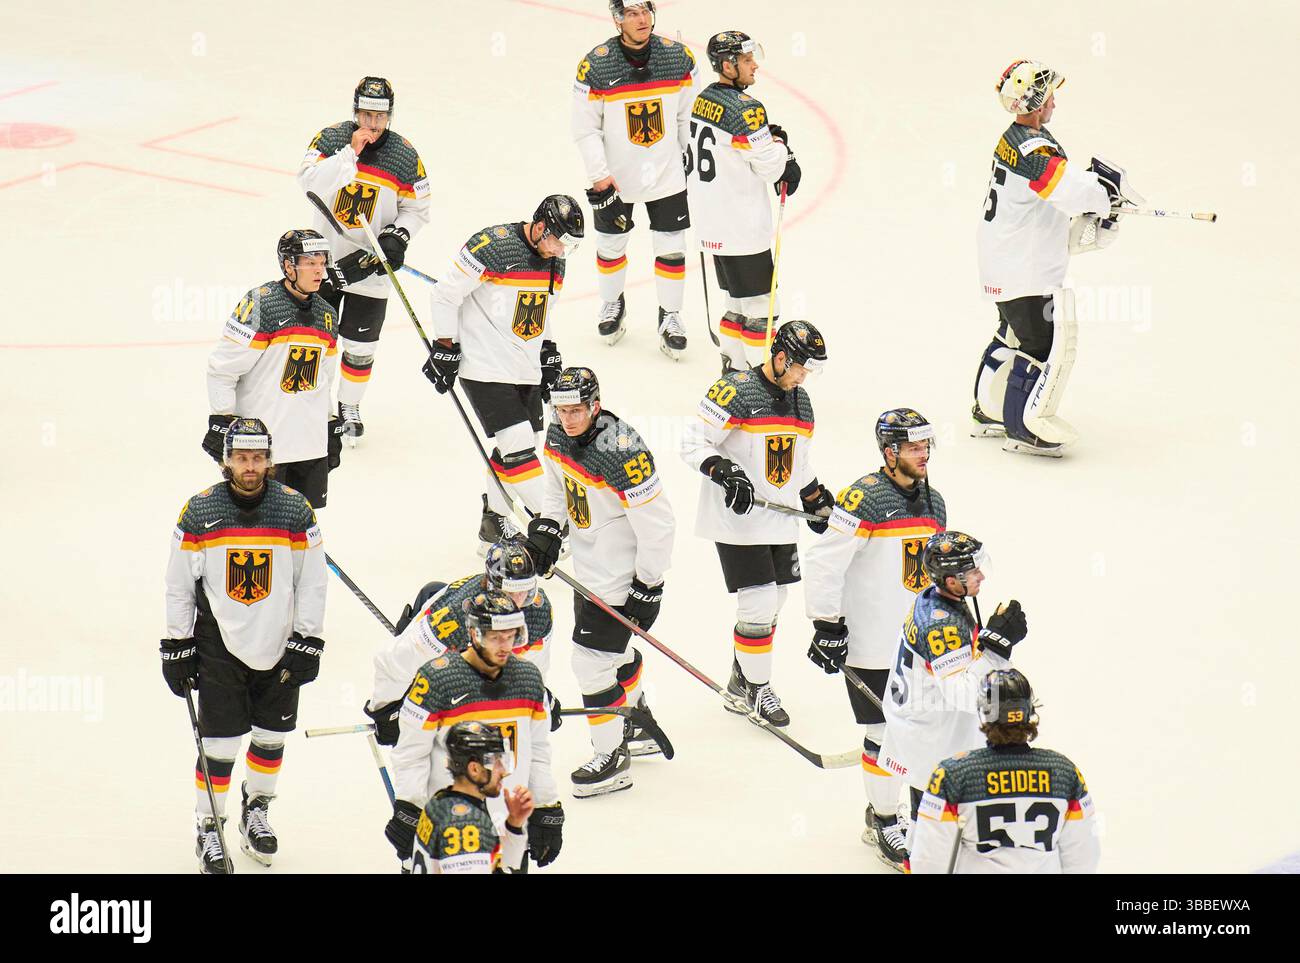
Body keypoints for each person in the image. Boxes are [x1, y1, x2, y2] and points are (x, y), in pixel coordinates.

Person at [162, 418, 327, 873]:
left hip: (280, 642)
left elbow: (312, 582)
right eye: (241, 457)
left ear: (269, 460)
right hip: (219, 644)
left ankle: (257, 809)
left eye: (257, 458)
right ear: (226, 460)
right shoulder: (198, 511)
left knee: (271, 737)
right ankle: (208, 827)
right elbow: (178, 585)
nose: (250, 466)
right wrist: (177, 644)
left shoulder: (296, 511)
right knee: (218, 744)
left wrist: (307, 638)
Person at [973, 60, 1140, 456]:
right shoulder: (1032, 149)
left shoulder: (1019, 139)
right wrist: (1106, 195)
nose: (1054, 102)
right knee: (1042, 345)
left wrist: (1098, 206)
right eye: (1049, 94)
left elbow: (1056, 195)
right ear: (1033, 100)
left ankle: (988, 409)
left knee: (1011, 333)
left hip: (1007, 261)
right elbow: (1067, 186)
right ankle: (1022, 427)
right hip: (1022, 271)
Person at [801, 409, 946, 862]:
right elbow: (825, 562)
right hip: (870, 643)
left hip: (919, 646)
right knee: (884, 732)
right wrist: (827, 624)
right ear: (890, 452)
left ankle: (916, 813)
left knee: (924, 731)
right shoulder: (861, 498)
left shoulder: (935, 501)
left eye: (927, 446)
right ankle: (884, 818)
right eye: (914, 447)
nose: (923, 455)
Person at [523, 367, 675, 796]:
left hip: (619, 574)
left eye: (576, 410)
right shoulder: (557, 434)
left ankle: (612, 757)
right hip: (590, 567)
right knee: (615, 653)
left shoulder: (621, 449)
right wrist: (547, 529)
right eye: (561, 409)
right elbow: (556, 489)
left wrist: (648, 583)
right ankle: (636, 722)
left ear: (595, 404)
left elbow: (658, 524)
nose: (567, 419)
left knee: (590, 663)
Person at [680, 320, 833, 726]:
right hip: (736, 517)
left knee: (776, 599)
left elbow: (797, 463)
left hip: (778, 516)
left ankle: (739, 680)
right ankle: (757, 688)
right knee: (759, 601)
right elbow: (693, 440)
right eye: (801, 367)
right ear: (780, 358)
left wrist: (815, 497)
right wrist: (723, 470)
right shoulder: (736, 390)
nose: (804, 377)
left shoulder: (802, 403)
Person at [421, 195, 584, 552]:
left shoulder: (556, 261)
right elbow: (445, 295)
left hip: (524, 367)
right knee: (519, 448)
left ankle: (493, 523)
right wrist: (445, 347)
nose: (562, 251)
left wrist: (548, 350)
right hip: (483, 366)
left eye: (570, 247)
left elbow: (541, 310)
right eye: (560, 241)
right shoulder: (491, 247)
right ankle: (555, 524)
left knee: (518, 449)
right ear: (541, 228)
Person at [876, 531, 1028, 871]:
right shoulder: (942, 625)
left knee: (932, 821)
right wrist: (995, 648)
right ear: (949, 579)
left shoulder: (934, 598)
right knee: (930, 828)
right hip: (931, 737)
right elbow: (962, 693)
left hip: (922, 724)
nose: (981, 576)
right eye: (973, 571)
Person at [386, 591, 563, 872]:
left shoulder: (529, 680)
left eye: (511, 636)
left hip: (506, 829)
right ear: (474, 634)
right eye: (496, 637)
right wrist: (409, 807)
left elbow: (538, 750)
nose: (505, 646)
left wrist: (546, 806)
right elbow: (411, 754)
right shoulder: (437, 679)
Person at [298, 76, 432, 441]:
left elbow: (417, 209)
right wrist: (348, 155)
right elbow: (309, 183)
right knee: (317, 340)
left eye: (380, 116)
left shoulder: (405, 156)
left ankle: (350, 405)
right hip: (320, 263)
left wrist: (398, 236)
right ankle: (316, 406)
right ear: (355, 110)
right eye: (366, 115)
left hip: (371, 267)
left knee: (360, 346)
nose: (372, 124)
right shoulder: (330, 140)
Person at [572, 1, 701, 358]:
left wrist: (691, 162)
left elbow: (688, 119)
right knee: (611, 247)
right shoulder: (595, 64)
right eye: (631, 14)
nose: (641, 19)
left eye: (644, 11)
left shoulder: (679, 59)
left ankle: (670, 315)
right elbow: (585, 130)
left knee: (672, 248)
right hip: (617, 179)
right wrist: (600, 177)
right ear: (617, 20)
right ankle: (613, 303)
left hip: (668, 173)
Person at [204, 230, 347, 509]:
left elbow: (323, 380)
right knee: (257, 527)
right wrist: (221, 418)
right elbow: (222, 369)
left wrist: (329, 423)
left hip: (309, 445)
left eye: (322, 262)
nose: (319, 270)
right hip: (261, 447)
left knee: (302, 525)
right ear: (288, 266)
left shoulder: (327, 314)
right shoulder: (261, 304)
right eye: (310, 262)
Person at [365, 539, 555, 746]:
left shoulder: (538, 612)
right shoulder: (453, 620)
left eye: (525, 591)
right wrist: (387, 711)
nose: (518, 601)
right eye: (509, 592)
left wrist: (537, 697)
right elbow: (392, 663)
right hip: (430, 654)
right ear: (490, 586)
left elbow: (533, 664)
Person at [686, 30, 801, 373]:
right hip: (741, 226)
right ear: (727, 65)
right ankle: (757, 378)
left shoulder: (703, 98)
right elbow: (770, 166)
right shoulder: (747, 109)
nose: (755, 67)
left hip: (712, 223)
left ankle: (733, 369)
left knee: (736, 303)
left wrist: (769, 140)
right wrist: (782, 147)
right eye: (747, 61)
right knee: (763, 307)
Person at [910, 669, 1100, 874]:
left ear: (984, 713)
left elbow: (928, 861)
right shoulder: (1065, 774)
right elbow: (1084, 857)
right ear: (1029, 712)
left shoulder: (953, 775)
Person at [410, 721, 535, 875]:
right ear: (474, 769)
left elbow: (498, 863)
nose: (503, 771)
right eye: (497, 763)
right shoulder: (464, 826)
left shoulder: (440, 802)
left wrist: (513, 824)